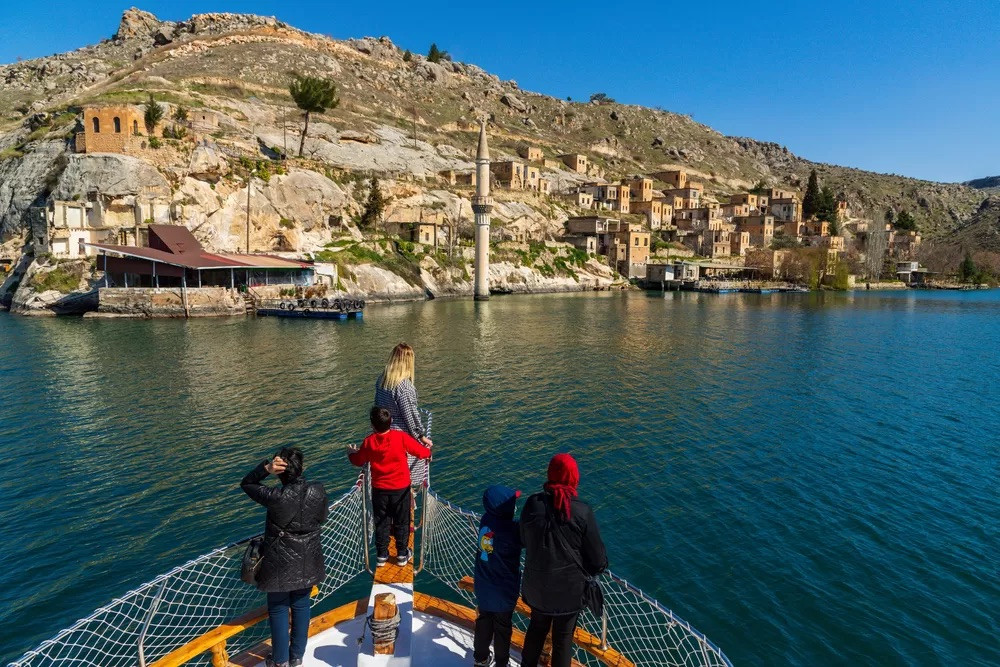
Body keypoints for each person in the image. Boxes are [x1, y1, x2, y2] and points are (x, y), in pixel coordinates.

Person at [519, 453, 608, 667]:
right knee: (563, 639)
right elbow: (598, 560)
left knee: (536, 629)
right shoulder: (582, 511)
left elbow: (523, 538)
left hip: (537, 586)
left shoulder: (533, 504)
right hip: (569, 592)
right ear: (573, 477)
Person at [241, 448, 328, 667]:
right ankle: (296, 656)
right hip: (308, 559)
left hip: (279, 562)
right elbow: (322, 517)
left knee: (279, 608)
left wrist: (265, 469)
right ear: (302, 468)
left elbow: (247, 484)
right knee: (301, 604)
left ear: (280, 472)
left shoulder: (275, 497)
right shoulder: (318, 490)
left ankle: (280, 661)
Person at [349, 406, 431, 566]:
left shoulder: (369, 442)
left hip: (379, 490)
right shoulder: (400, 437)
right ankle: (402, 554)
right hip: (401, 490)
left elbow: (358, 460)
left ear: (372, 425)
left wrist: (350, 453)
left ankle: (381, 555)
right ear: (391, 421)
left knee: (382, 522)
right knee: (402, 521)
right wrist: (429, 452)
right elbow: (421, 452)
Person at [473, 485, 522, 667]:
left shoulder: (486, 520)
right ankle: (502, 663)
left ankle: (480, 658)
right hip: (503, 590)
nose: (515, 505)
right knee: (502, 627)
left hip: (483, 585)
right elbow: (524, 538)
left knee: (484, 622)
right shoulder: (512, 529)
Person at [374, 343, 433, 487]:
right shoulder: (404, 386)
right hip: (402, 438)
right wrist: (421, 436)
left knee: (388, 478)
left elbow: (376, 406)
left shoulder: (382, 380)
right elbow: (410, 415)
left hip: (383, 435)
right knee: (406, 480)